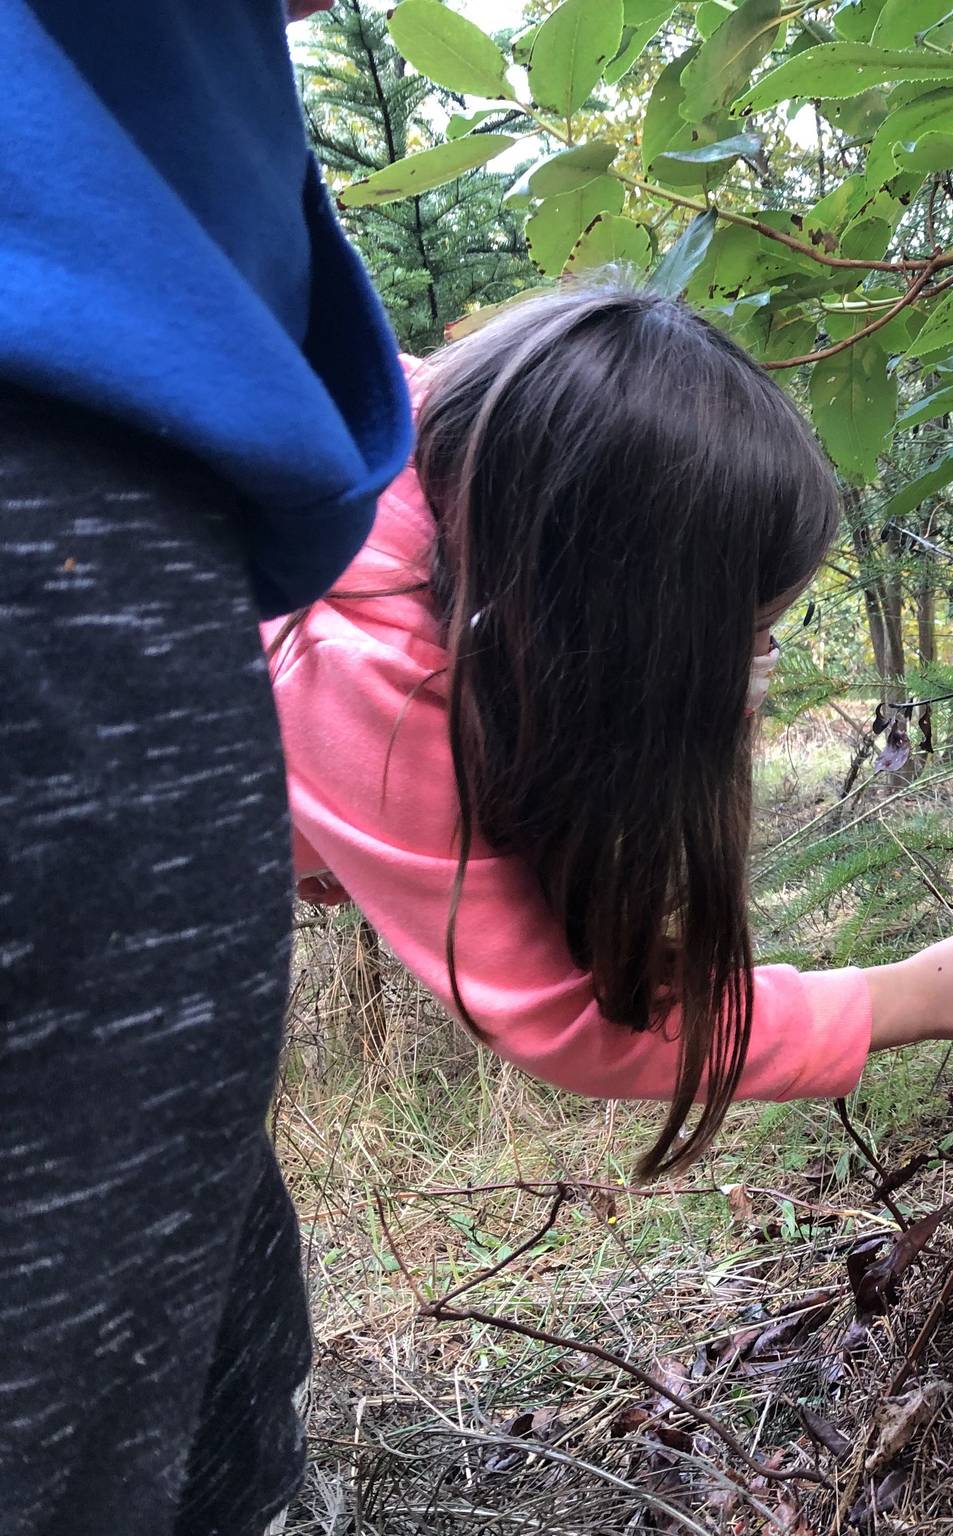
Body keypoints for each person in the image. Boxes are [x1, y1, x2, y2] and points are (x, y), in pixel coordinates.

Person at [265, 283, 953, 1186]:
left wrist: (312, 832)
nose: (763, 663)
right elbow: (569, 1019)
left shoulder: (449, 453)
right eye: (748, 633)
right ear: (627, 637)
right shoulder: (376, 681)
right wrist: (903, 998)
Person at [0, 3, 412, 1534]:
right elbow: (551, 1002)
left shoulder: (445, 490)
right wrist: (882, 1003)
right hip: (68, 509)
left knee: (194, 1302)